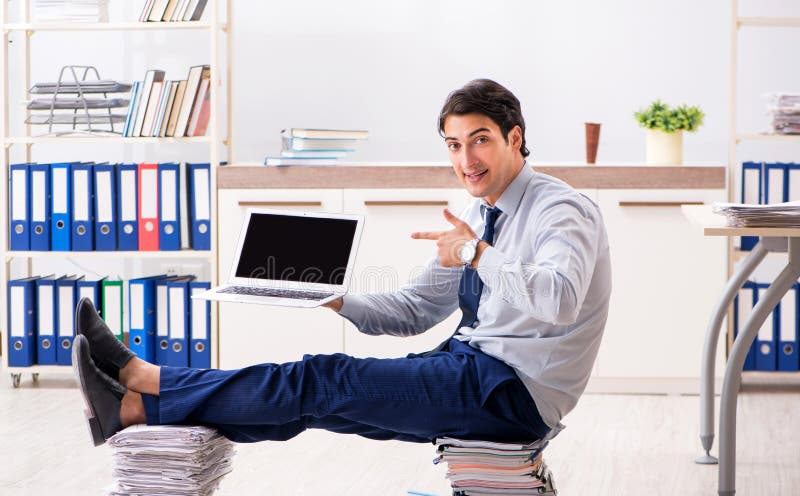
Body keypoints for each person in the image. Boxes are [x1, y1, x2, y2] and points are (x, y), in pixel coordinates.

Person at [73, 78, 611, 448]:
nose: (466, 161)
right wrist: (330, 297)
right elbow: (414, 310)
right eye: (453, 145)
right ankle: (140, 398)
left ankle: (142, 387)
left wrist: (474, 252)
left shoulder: (561, 209)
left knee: (321, 378)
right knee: (315, 397)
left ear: (514, 138)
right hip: (474, 369)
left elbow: (557, 301)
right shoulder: (478, 211)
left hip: (513, 393)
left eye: (481, 141)